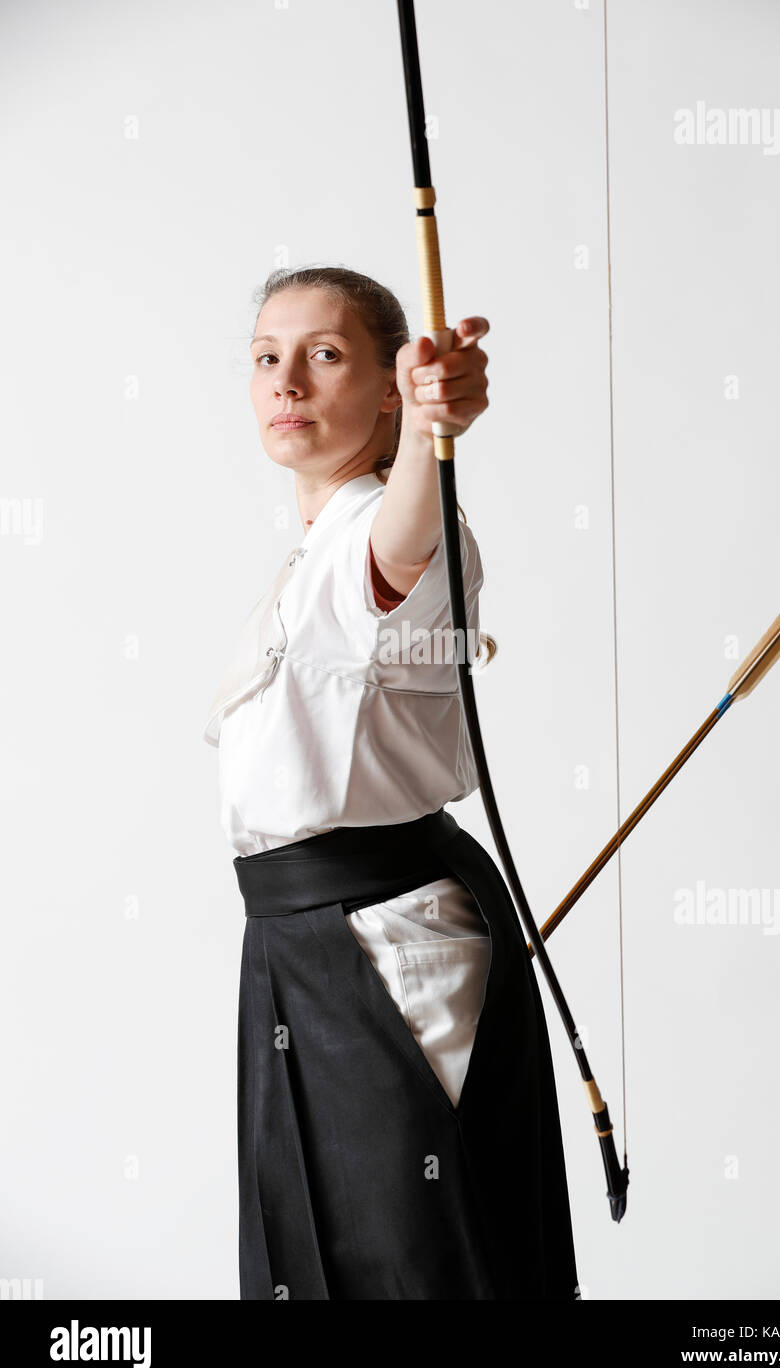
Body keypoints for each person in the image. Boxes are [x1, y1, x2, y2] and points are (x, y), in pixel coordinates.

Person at [204, 264, 578, 1300]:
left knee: (405, 1257)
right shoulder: (311, 553)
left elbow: (402, 535)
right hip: (300, 943)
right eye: (266, 357)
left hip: (378, 949)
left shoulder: (386, 531)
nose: (287, 380)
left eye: (324, 355)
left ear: (383, 388)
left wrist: (428, 432)